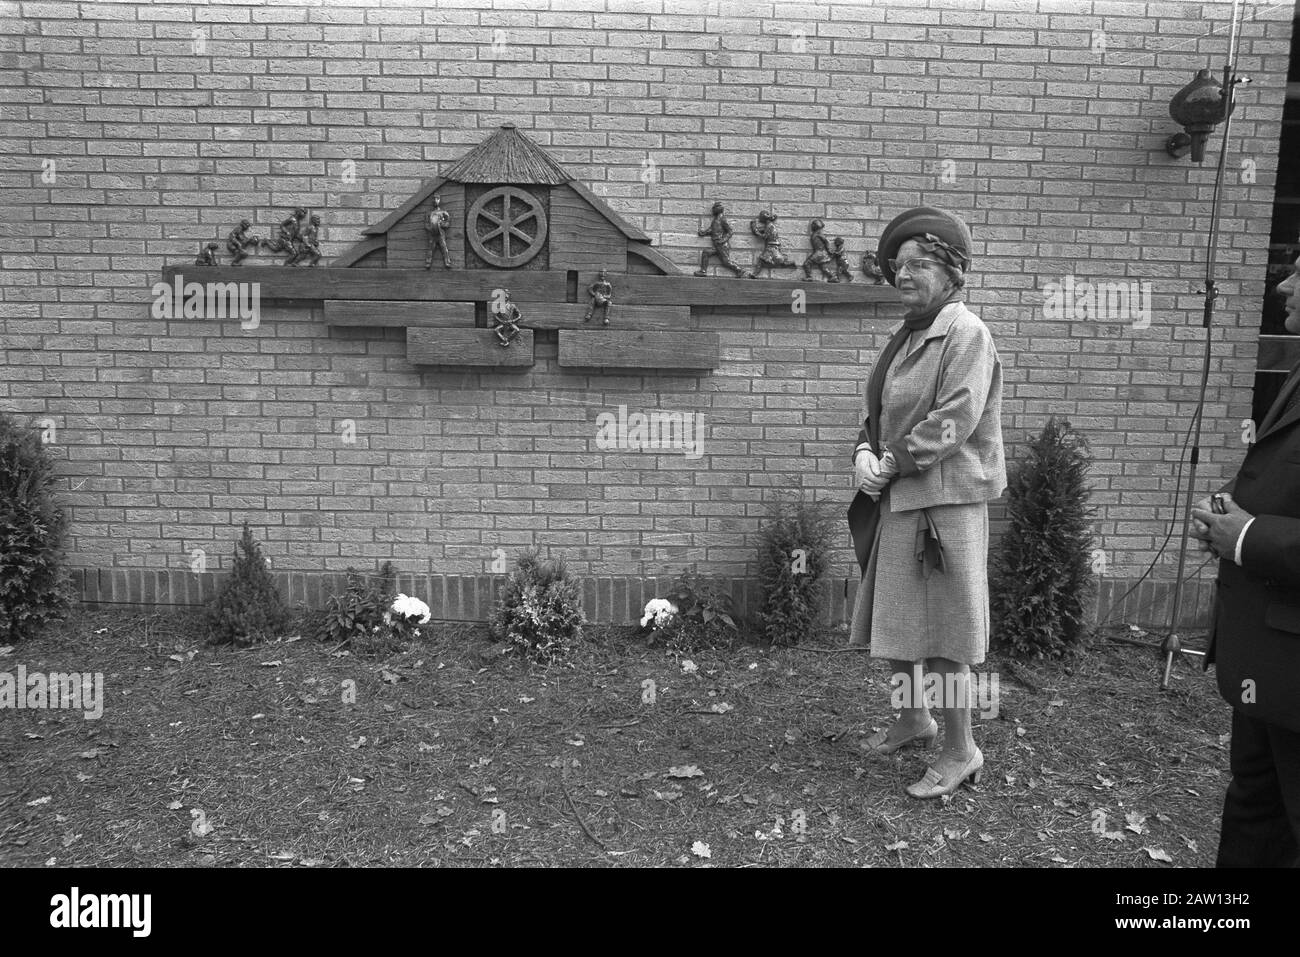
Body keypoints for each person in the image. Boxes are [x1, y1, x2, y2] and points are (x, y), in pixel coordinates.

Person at [847, 206, 1006, 800]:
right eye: (897, 265)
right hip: (902, 501)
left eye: (917, 263)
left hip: (944, 508)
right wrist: (864, 450)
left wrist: (891, 462)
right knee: (899, 626)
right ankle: (913, 718)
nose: (903, 273)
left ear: (951, 270)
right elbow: (879, 415)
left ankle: (961, 750)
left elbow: (954, 420)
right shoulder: (909, 334)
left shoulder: (967, 333)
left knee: (943, 637)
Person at [1192, 254, 1300, 866]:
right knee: (1256, 819)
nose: (1284, 284)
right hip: (1268, 662)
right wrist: (1234, 522)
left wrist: (1248, 536)